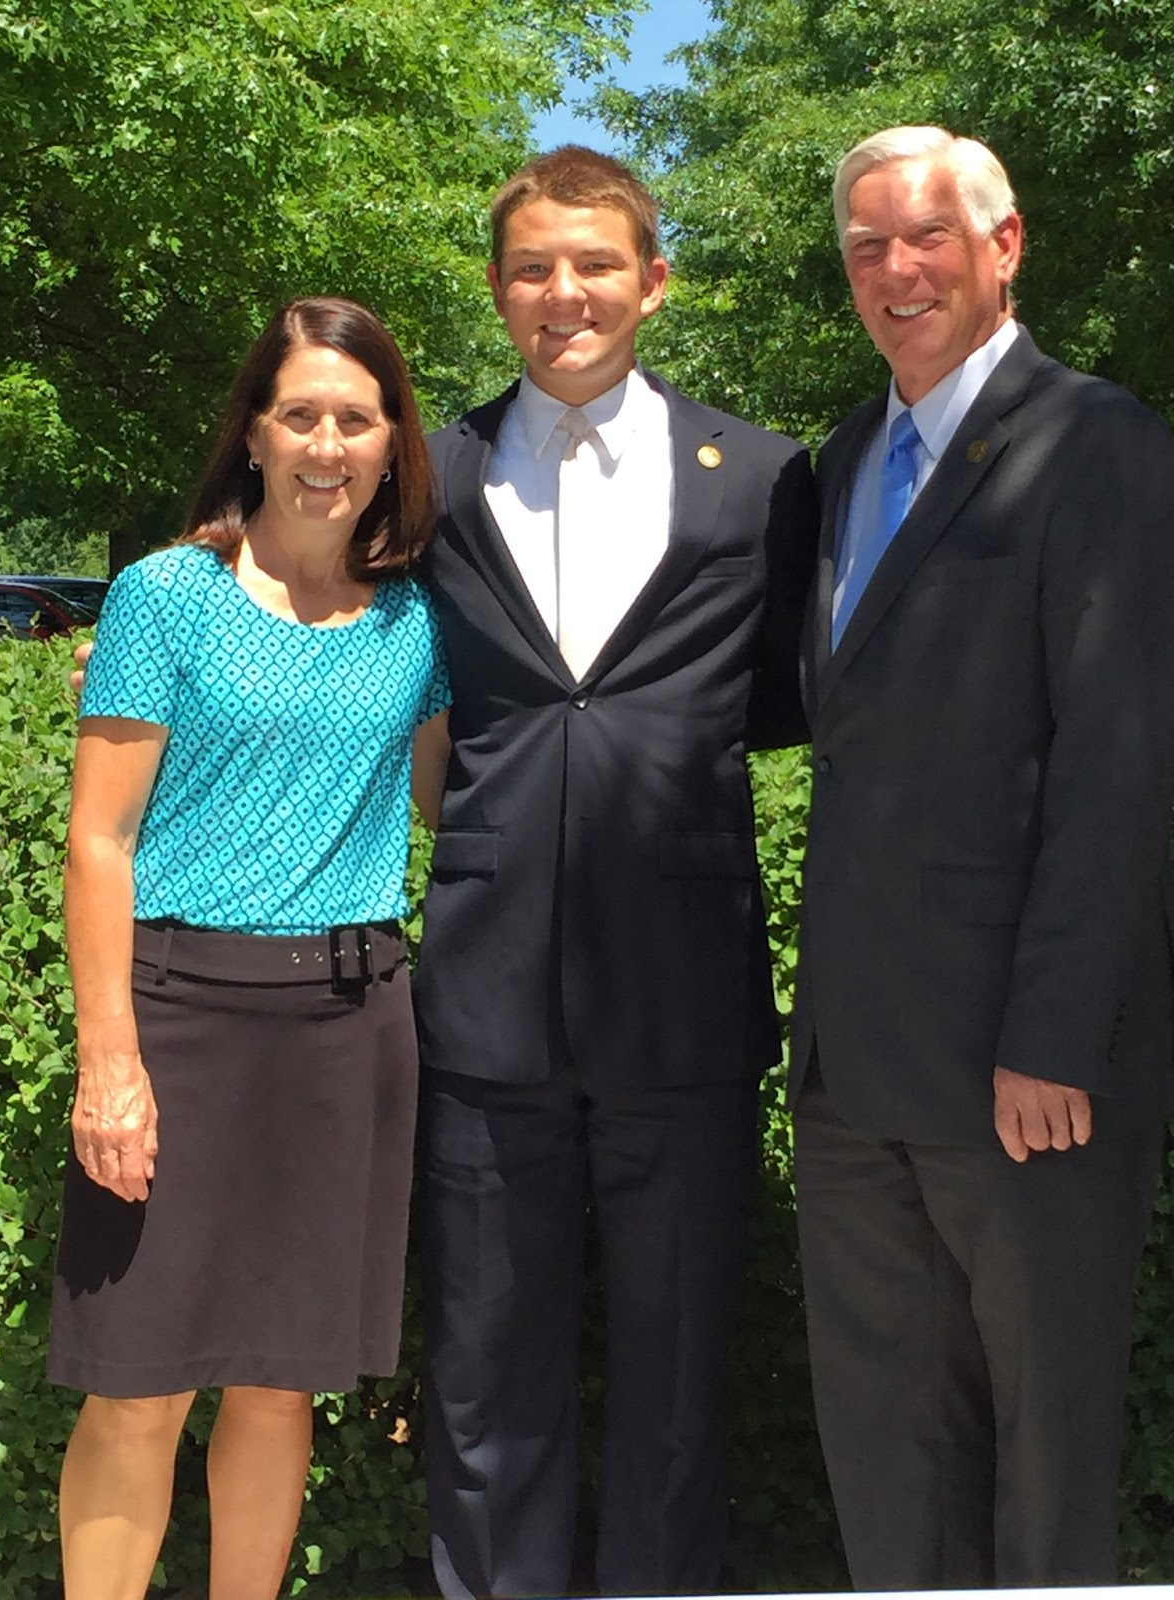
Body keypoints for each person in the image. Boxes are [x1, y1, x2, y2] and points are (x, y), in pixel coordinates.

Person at [413, 146, 817, 1598]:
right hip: (482, 992)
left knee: (675, 1389)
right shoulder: (428, 470)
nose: (563, 294)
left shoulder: (767, 479)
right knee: (480, 1390)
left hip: (686, 995)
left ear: (653, 280)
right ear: (497, 287)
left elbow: (787, 693)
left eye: (594, 264)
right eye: (532, 267)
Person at [789, 124, 1174, 1588]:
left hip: (1026, 1073)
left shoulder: (1101, 444)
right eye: (869, 245)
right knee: (888, 1450)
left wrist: (1056, 1038)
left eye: (927, 236)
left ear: (1003, 246)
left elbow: (1119, 761)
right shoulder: (839, 462)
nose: (897, 269)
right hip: (853, 1068)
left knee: (1041, 1454)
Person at [50, 296, 451, 1600]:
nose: (326, 443)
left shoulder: (420, 625)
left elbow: (464, 797)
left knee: (281, 1387)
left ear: (394, 440)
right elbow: (99, 840)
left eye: (356, 416)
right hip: (176, 1020)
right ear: (257, 434)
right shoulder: (166, 597)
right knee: (138, 1389)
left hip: (349, 1027)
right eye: (301, 415)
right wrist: (108, 1059)